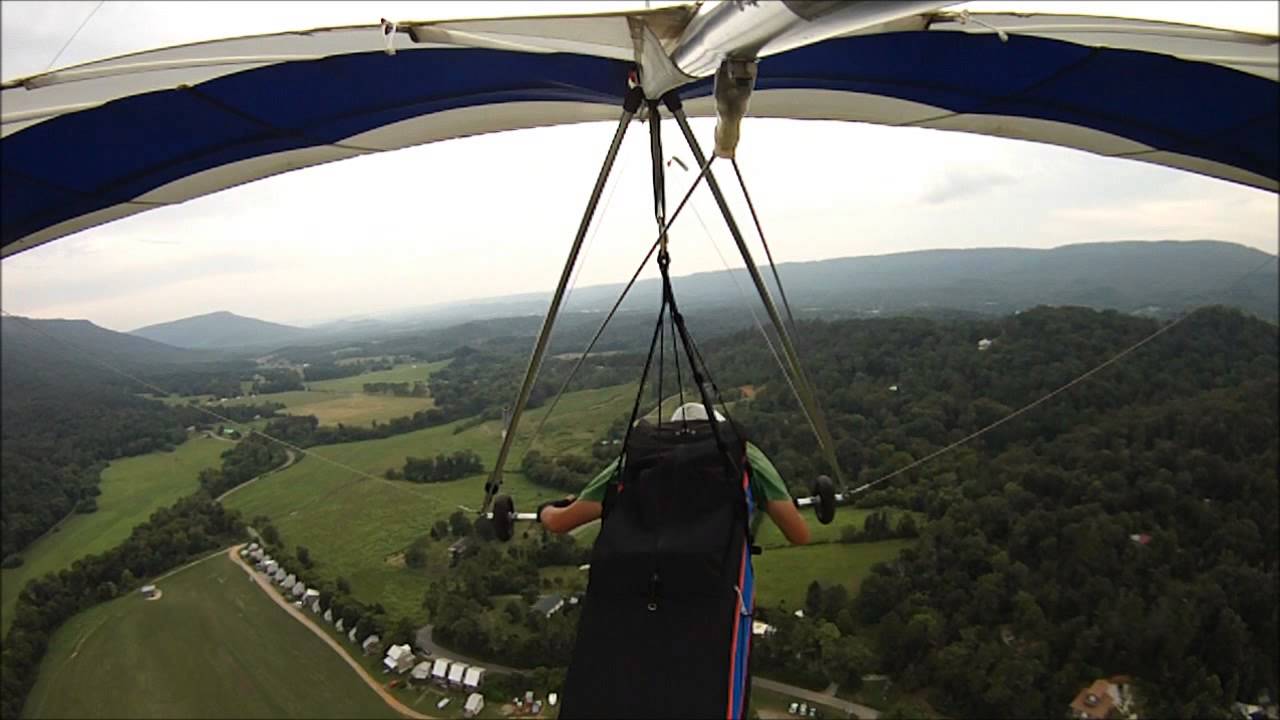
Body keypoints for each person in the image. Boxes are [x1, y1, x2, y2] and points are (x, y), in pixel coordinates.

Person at [538, 402, 811, 545]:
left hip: (647, 585)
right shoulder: (744, 455)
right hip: (718, 582)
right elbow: (798, 535)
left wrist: (547, 511)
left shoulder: (641, 458)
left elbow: (561, 524)